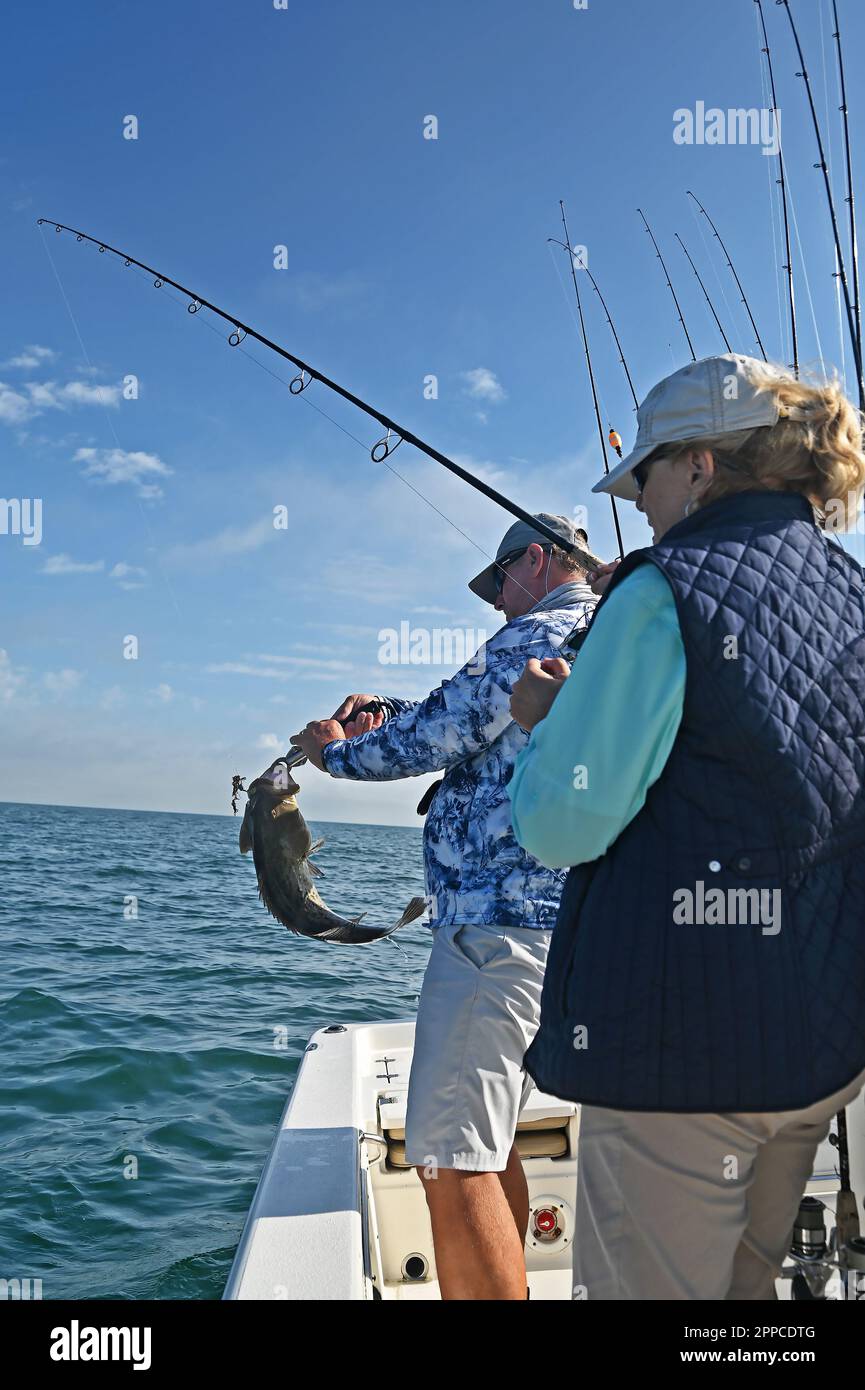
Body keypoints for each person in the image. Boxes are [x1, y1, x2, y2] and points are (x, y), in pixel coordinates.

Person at [508, 354, 865, 1300]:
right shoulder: (852, 590)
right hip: (820, 1049)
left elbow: (560, 823)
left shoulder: (661, 589)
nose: (640, 505)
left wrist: (549, 726)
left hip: (684, 1062)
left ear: (699, 466)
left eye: (646, 477)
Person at [288, 514, 596, 1299]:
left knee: (449, 1160)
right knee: (488, 1147)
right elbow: (480, 724)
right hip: (561, 924)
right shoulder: (603, 630)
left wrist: (334, 752)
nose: (496, 603)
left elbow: (436, 736)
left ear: (535, 559)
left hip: (495, 928)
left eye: (498, 582)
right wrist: (393, 704)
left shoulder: (542, 627)